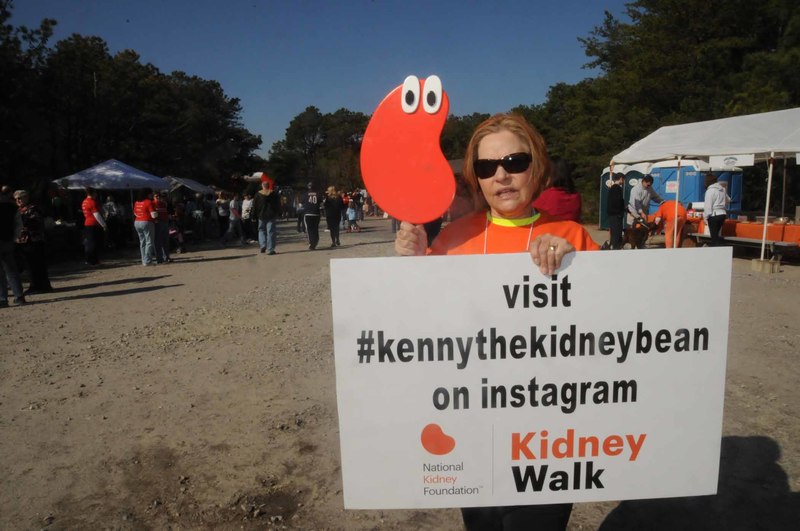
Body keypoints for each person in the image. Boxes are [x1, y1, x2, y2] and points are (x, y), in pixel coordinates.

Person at [395, 114, 599, 531]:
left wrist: (577, 266)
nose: (501, 175)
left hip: (548, 440)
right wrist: (412, 265)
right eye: (487, 167)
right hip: (473, 434)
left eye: (514, 162)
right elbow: (419, 331)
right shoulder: (452, 239)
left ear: (537, 166)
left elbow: (615, 335)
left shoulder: (572, 237)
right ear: (477, 178)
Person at [14, 189, 53, 294]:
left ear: (26, 198)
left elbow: (36, 222)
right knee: (30, 264)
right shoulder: (18, 210)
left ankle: (38, 286)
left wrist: (23, 223)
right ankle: (39, 285)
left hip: (34, 240)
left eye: (20, 198)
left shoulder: (33, 208)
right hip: (23, 241)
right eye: (16, 199)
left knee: (37, 264)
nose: (18, 200)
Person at [0, 186, 25, 306]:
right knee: (11, 269)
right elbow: (18, 224)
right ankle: (19, 296)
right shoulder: (12, 207)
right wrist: (15, 237)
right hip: (8, 240)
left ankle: (2, 298)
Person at [252, 176, 280, 254]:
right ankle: (270, 249)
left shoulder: (257, 194)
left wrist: (253, 216)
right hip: (271, 215)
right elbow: (278, 204)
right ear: (268, 186)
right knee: (271, 232)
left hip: (261, 215)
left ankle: (263, 245)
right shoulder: (274, 194)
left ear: (262, 186)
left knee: (261, 230)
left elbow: (254, 206)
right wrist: (278, 213)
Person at [81, 187, 108, 266]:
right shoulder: (92, 202)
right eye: (95, 193)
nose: (96, 195)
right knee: (94, 243)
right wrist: (104, 225)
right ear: (93, 193)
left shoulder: (84, 201)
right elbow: (96, 215)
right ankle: (93, 261)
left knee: (89, 243)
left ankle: (89, 260)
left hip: (87, 223)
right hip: (93, 224)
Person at [133, 188, 158, 266]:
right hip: (147, 222)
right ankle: (147, 261)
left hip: (137, 222)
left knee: (142, 242)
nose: (152, 195)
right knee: (149, 242)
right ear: (148, 194)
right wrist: (157, 213)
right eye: (151, 193)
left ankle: (144, 260)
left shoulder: (136, 202)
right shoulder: (148, 202)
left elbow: (135, 213)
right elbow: (153, 215)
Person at [704, 175, 730, 247]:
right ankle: (717, 247)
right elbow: (728, 199)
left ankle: (716, 250)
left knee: (714, 237)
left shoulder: (710, 191)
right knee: (716, 235)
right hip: (722, 214)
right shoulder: (722, 189)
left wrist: (705, 217)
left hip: (714, 214)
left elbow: (708, 206)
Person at [606, 172, 626, 249]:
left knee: (614, 232)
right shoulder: (617, 188)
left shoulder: (612, 188)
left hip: (612, 213)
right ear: (620, 179)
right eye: (623, 179)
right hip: (616, 214)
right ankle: (616, 247)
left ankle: (614, 246)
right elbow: (617, 201)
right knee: (617, 232)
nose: (623, 181)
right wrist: (621, 210)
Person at [301, 182, 322, 250]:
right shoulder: (318, 194)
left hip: (308, 213)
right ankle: (316, 240)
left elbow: (301, 203)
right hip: (316, 213)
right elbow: (321, 203)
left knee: (309, 229)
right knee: (315, 228)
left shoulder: (305, 194)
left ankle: (312, 243)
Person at [152, 191, 172, 263]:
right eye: (156, 196)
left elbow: (167, 213)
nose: (158, 197)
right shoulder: (152, 204)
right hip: (158, 223)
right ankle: (159, 258)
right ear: (153, 197)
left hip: (165, 223)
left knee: (165, 241)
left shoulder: (164, 203)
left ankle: (166, 257)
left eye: (159, 196)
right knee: (158, 242)